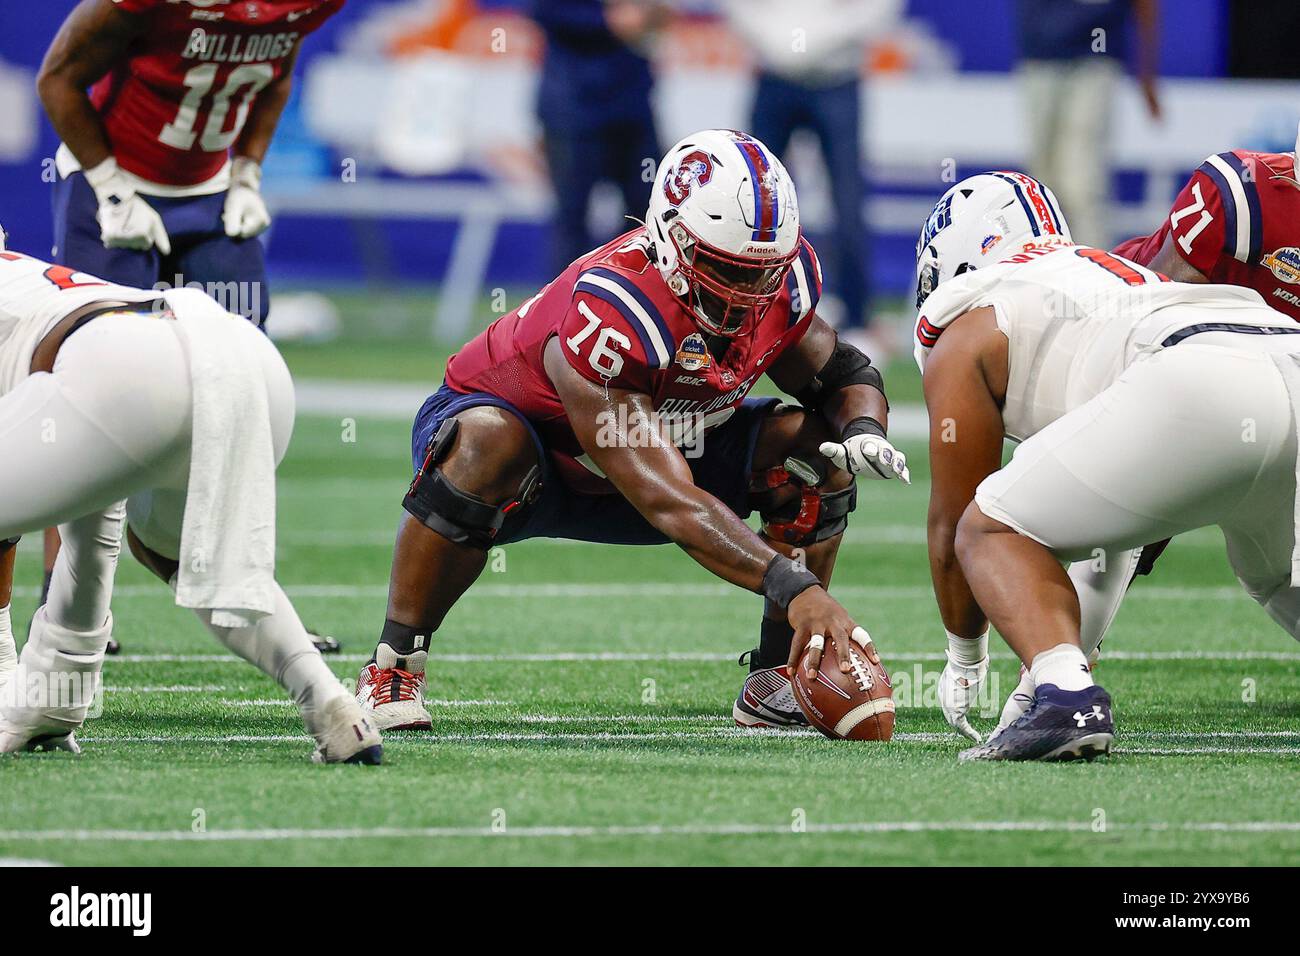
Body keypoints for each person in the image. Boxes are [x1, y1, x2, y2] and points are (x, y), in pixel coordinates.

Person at [354, 130, 909, 732]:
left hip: (670, 445)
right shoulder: (615, 310)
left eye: (762, 273)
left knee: (815, 459)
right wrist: (798, 589)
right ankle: (394, 662)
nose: (747, 293)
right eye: (726, 269)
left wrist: (861, 429)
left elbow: (843, 372)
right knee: (489, 440)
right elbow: (665, 499)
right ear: (670, 240)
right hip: (541, 458)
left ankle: (777, 679)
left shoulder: (783, 283)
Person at [918, 171, 1300, 761]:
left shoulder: (972, 324)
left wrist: (965, 656)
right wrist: (1040, 681)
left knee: (987, 524)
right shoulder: (1102, 272)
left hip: (1200, 380)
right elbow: (1109, 540)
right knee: (1271, 572)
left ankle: (1067, 695)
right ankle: (1061, 689)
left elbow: (954, 527)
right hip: (1283, 348)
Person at [17, 0, 343, 651]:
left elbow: (276, 70)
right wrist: (109, 186)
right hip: (112, 184)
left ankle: (250, 597)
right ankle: (64, 601)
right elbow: (56, 77)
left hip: (211, 193)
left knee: (245, 389)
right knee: (89, 390)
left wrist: (248, 171)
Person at [0, 227, 380, 762]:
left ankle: (43, 696)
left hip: (124, 369)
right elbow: (93, 515)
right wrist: (55, 684)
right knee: (189, 555)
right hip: (245, 360)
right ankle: (329, 703)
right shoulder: (25, 277)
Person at [723, 0, 901, 338]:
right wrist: (781, 44)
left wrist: (809, 44)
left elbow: (878, 9)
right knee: (751, 200)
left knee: (848, 201)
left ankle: (856, 317)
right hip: (773, 76)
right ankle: (740, 307)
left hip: (839, 75)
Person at [530, 0, 665, 272]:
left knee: (650, 210)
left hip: (632, 104)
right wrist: (606, 19)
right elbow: (542, 10)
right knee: (572, 218)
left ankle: (636, 295)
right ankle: (565, 309)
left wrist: (652, 13)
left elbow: (653, 17)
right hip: (573, 107)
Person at [1016, 0, 1161, 246]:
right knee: (1041, 184)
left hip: (1094, 57)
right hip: (1040, 53)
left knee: (1082, 182)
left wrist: (1147, 71)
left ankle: (1095, 271)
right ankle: (1040, 268)